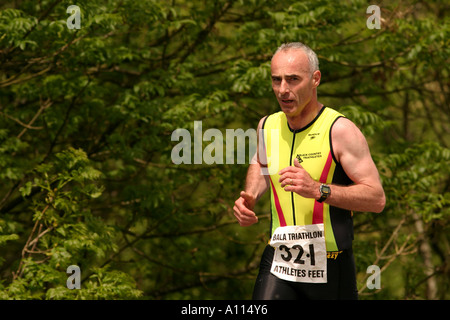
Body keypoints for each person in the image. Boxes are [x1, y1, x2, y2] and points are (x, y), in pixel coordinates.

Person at [233, 42, 386, 300]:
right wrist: (249, 197)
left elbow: (376, 199)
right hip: (280, 258)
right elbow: (261, 164)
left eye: (293, 80)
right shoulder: (266, 125)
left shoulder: (340, 130)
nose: (283, 90)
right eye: (276, 80)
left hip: (330, 262)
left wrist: (318, 189)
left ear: (315, 79)